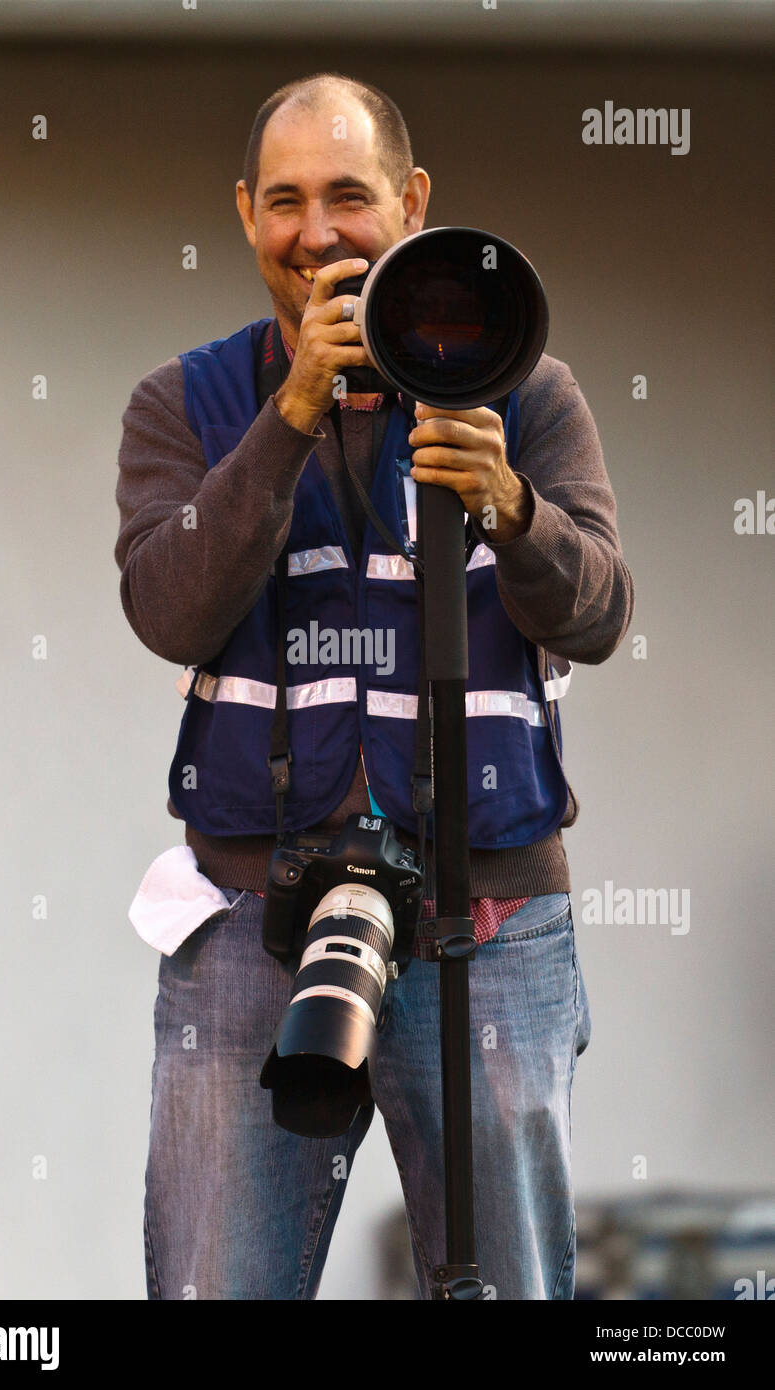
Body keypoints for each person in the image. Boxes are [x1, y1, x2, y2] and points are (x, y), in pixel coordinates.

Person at [115, 72, 634, 1301]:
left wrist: (512, 508)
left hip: (488, 926)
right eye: (285, 201)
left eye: (350, 195)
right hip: (251, 923)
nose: (319, 232)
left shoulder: (523, 386)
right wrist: (290, 416)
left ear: (411, 203)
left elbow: (604, 615)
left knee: (511, 1287)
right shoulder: (185, 405)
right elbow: (165, 605)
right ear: (246, 216)